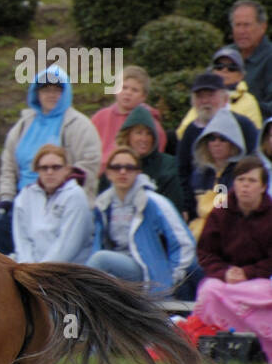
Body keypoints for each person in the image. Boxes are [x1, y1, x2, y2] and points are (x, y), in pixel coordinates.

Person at [0, 64, 101, 255]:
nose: (51, 94)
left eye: (57, 89)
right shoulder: (23, 125)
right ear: (36, 93)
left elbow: (89, 165)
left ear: (66, 92)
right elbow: (8, 165)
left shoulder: (81, 125)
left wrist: (53, 186)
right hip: (23, 201)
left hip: (61, 201)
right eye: (45, 89)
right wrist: (6, 198)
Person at [192, 157, 272, 362]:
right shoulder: (220, 211)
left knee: (265, 293)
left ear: (263, 186)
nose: (245, 186)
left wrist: (248, 273)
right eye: (241, 179)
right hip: (223, 280)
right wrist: (224, 272)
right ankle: (216, 348)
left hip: (258, 282)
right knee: (208, 290)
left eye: (252, 181)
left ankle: (263, 349)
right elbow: (206, 252)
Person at [89, 147, 195, 298]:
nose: (123, 172)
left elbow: (184, 242)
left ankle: (79, 311)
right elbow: (96, 244)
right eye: (116, 167)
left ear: (139, 172)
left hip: (145, 269)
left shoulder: (153, 201)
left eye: (129, 167)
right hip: (115, 269)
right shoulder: (102, 204)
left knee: (100, 259)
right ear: (108, 173)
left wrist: (171, 279)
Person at [175, 72, 259, 220]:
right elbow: (182, 171)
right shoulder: (190, 130)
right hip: (198, 207)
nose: (205, 101)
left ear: (225, 98)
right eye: (200, 96)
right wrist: (186, 207)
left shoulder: (243, 125)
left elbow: (256, 164)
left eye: (211, 95)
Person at [11, 144, 94, 264]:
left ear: (66, 169)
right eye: (44, 168)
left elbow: (68, 244)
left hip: (68, 270)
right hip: (31, 269)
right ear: (37, 170)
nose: (50, 172)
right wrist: (27, 268)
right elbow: (21, 239)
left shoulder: (75, 195)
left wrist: (42, 271)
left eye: (56, 167)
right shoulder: (25, 196)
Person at [97, 104, 186, 215]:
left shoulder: (167, 166)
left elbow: (174, 209)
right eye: (138, 133)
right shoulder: (115, 165)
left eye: (148, 134)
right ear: (127, 135)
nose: (143, 139)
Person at [89, 65, 165, 175]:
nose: (128, 93)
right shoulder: (100, 116)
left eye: (134, 90)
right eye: (124, 88)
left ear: (143, 96)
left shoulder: (151, 124)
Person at [188, 107, 248, 238]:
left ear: (232, 143)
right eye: (212, 139)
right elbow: (192, 208)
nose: (216, 143)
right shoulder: (200, 173)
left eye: (222, 139)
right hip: (199, 235)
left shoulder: (241, 172)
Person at [175, 45, 263, 134]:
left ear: (241, 75)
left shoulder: (248, 101)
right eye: (219, 66)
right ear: (212, 71)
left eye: (232, 68)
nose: (224, 70)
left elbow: (256, 136)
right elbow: (182, 132)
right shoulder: (203, 98)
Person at [230, 0, 272, 118]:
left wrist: (243, 106)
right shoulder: (225, 56)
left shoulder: (269, 57)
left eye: (247, 25)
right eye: (237, 25)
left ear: (263, 27)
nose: (241, 31)